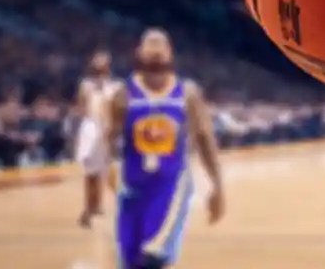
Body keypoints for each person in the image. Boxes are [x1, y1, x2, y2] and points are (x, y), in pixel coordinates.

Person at [107, 28, 225, 269]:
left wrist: (217, 186)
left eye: (161, 43)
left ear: (170, 53)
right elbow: (108, 139)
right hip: (133, 188)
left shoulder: (188, 93)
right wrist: (110, 166)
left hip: (172, 187)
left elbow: (205, 138)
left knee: (154, 259)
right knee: (129, 262)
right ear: (139, 52)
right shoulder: (123, 94)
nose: (156, 48)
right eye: (150, 43)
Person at [75, 50, 120, 227]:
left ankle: (97, 204)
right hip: (90, 126)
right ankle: (88, 208)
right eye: (97, 61)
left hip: (106, 128)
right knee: (89, 171)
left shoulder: (115, 86)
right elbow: (81, 108)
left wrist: (113, 130)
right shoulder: (85, 85)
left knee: (104, 170)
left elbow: (117, 110)